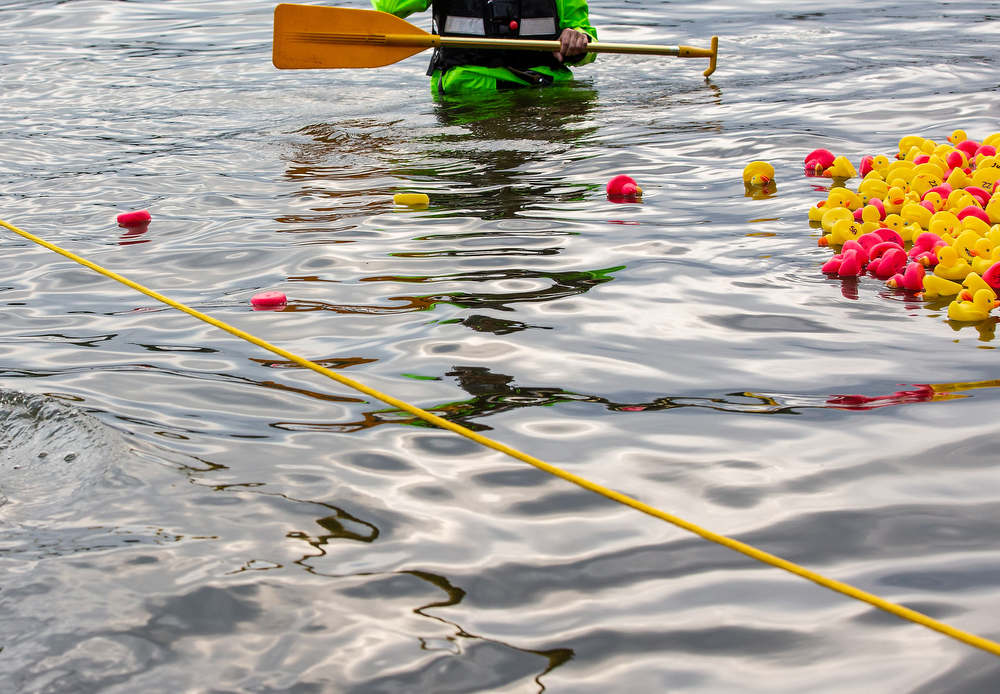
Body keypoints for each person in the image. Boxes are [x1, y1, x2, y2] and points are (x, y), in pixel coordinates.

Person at [371, 0, 597, 94]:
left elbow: (589, 43)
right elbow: (389, 6)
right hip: (468, 92)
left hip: (545, 89)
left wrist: (580, 40)